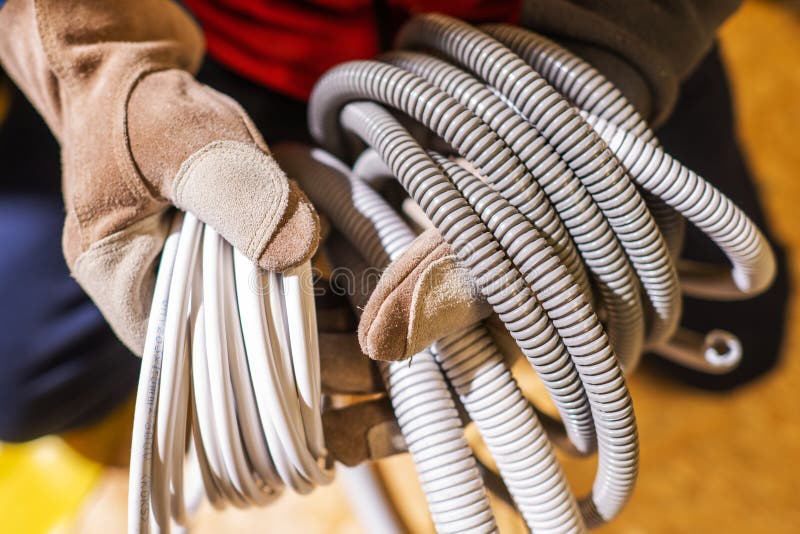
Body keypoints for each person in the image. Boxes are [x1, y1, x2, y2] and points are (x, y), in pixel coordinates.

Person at [0, 0, 787, 458]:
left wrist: (604, 54)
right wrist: (96, 65)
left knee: (735, 342)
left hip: (544, 47)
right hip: (202, 55)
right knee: (13, 368)